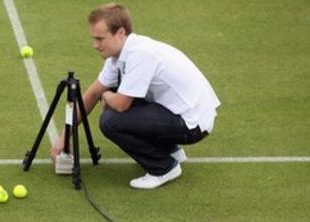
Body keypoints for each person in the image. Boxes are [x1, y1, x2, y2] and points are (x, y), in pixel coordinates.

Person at [50, 3, 220, 189]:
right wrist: (64, 138)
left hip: (193, 125)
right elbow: (91, 95)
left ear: (121, 33)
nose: (95, 45)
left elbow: (121, 104)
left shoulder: (140, 54)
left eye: (100, 38)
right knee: (116, 94)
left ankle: (163, 167)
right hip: (179, 112)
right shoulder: (118, 55)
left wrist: (106, 96)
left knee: (110, 120)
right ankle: (169, 150)